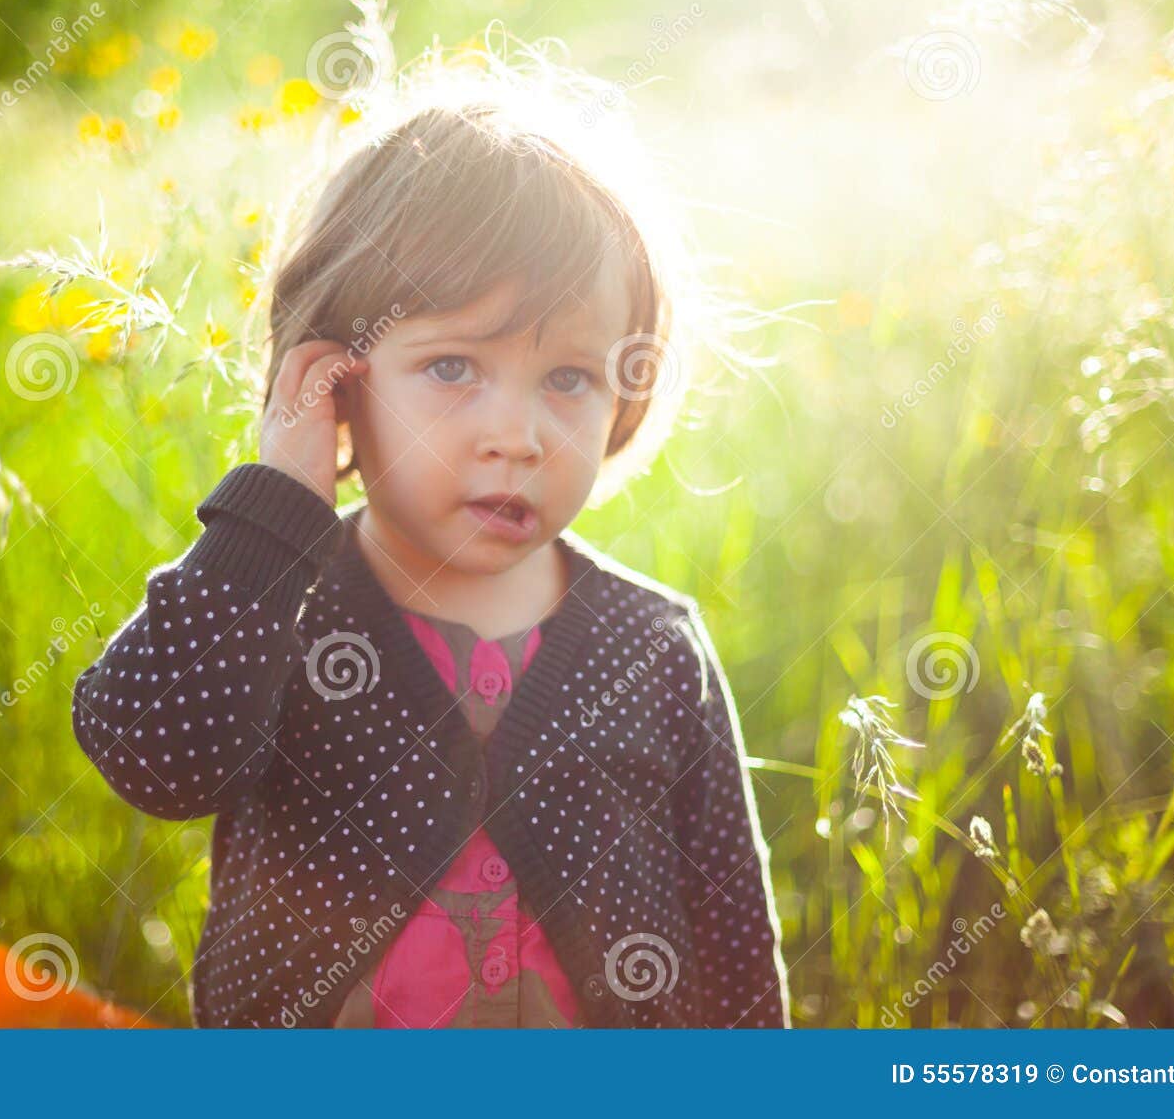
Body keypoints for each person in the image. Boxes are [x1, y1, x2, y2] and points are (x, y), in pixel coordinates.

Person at [71, 62, 790, 1028]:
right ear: (336, 379)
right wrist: (280, 500)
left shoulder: (652, 649)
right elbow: (157, 758)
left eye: (570, 377)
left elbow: (736, 951)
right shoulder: (277, 606)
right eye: (453, 365)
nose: (517, 434)